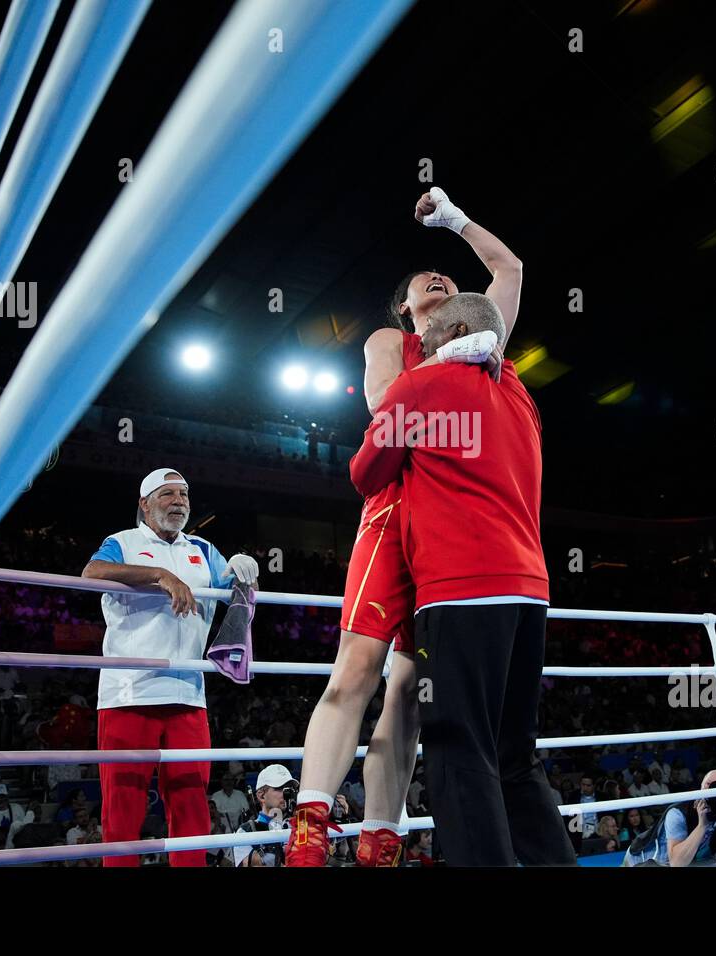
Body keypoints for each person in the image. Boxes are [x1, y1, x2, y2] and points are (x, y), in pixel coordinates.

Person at [287, 186, 518, 867]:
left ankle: (381, 835)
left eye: (444, 275)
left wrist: (457, 222)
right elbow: (390, 407)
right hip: (396, 509)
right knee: (356, 669)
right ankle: (309, 822)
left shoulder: (482, 331)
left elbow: (509, 272)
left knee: (413, 692)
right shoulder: (395, 341)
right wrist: (453, 360)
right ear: (408, 310)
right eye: (424, 281)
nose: (438, 278)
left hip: (454, 529)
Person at [349, 291, 575, 867]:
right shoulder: (519, 394)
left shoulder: (421, 384)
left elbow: (365, 472)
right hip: (529, 591)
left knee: (457, 751)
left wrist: (416, 381)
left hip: (460, 588)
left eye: (427, 342)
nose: (416, 348)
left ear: (448, 336)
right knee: (514, 757)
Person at [83, 467, 259, 866]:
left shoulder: (203, 549)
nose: (178, 501)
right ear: (144, 504)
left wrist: (242, 568)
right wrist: (160, 575)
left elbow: (235, 589)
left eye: (183, 494)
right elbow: (91, 573)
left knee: (192, 808)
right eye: (167, 494)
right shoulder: (122, 542)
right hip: (129, 693)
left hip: (188, 695)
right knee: (122, 812)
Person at [620, 770, 716, 867]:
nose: (715, 791)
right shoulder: (679, 812)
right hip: (642, 861)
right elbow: (677, 863)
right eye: (710, 785)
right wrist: (702, 825)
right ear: (701, 788)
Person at [234, 764, 298, 867]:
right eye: (279, 788)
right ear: (261, 795)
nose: (287, 793)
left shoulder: (299, 825)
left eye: (289, 788)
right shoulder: (245, 831)